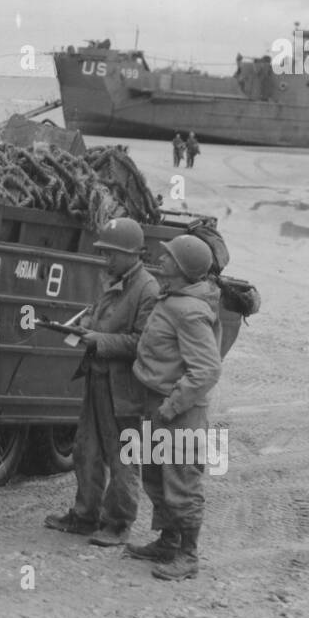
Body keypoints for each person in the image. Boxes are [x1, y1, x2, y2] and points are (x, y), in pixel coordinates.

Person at [44, 217, 159, 545]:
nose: (106, 259)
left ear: (132, 253)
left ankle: (118, 523)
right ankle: (85, 515)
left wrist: (98, 339)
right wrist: (85, 328)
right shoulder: (116, 280)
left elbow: (142, 343)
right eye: (104, 253)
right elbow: (102, 318)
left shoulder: (147, 290)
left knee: (122, 455)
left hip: (123, 388)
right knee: (86, 449)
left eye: (112, 253)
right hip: (98, 377)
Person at [127, 234, 223, 580]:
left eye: (169, 256)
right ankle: (168, 542)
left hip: (179, 412)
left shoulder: (190, 310)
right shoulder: (172, 300)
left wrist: (171, 406)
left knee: (182, 481)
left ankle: (188, 554)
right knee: (155, 476)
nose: (161, 258)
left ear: (183, 268)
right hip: (159, 403)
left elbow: (207, 370)